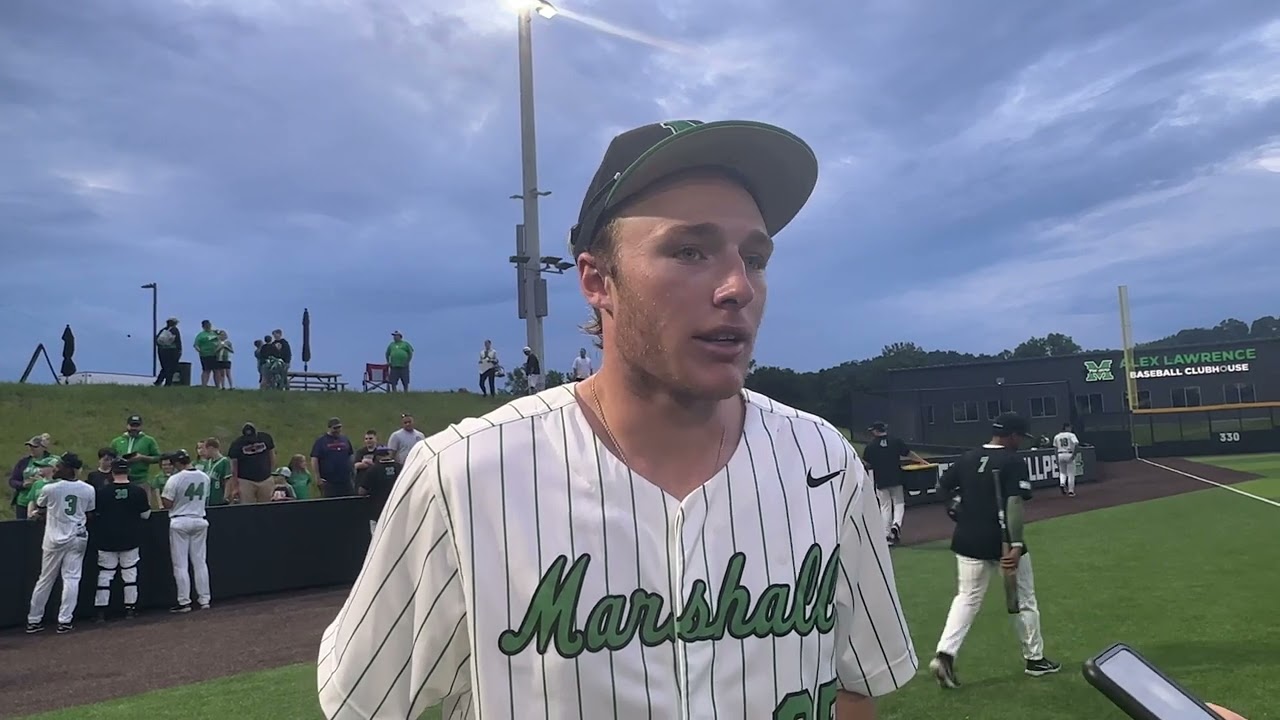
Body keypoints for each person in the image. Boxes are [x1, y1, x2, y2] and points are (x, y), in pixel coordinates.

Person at [318, 119, 917, 718]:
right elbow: (367, 703)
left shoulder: (823, 460)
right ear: (598, 281)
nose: (738, 286)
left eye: (755, 258)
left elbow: (852, 684)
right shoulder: (462, 473)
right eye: (690, 251)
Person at [929, 412, 1061, 688]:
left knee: (966, 598)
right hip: (1002, 540)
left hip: (967, 539)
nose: (1020, 442)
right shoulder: (1012, 460)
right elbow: (1014, 504)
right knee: (1024, 599)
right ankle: (1034, 659)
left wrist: (957, 507)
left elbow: (941, 488)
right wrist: (1015, 545)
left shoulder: (967, 457)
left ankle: (945, 654)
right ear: (1011, 435)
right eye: (1019, 437)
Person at [26, 453, 95, 634]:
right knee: (71, 579)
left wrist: (38, 515)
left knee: (46, 579)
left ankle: (34, 619)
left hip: (53, 539)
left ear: (69, 469)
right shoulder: (88, 489)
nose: (56, 467)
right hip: (77, 536)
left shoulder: (50, 489)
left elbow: (40, 510)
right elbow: (89, 514)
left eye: (60, 465)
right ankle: (64, 620)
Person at [92, 457, 151, 622]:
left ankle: (101, 611)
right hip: (130, 538)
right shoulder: (138, 491)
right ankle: (130, 609)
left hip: (106, 538)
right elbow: (145, 515)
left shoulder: (102, 492)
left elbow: (94, 514)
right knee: (130, 573)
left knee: (105, 574)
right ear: (129, 471)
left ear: (112, 472)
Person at [862, 421, 930, 546]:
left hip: (881, 480)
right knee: (899, 503)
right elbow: (909, 454)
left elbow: (866, 463)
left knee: (885, 507)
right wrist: (922, 461)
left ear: (876, 431)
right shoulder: (895, 441)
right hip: (896, 478)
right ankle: (896, 524)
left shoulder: (871, 446)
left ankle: (887, 535)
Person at [161, 450, 211, 613]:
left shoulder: (175, 478)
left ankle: (184, 601)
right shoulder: (204, 476)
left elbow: (167, 503)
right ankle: (205, 600)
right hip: (199, 518)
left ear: (177, 463)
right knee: (200, 562)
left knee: (181, 565)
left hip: (180, 520)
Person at [109, 415, 161, 496]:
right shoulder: (116, 441)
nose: (134, 428)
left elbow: (159, 458)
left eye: (137, 426)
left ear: (141, 426)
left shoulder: (149, 441)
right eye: (132, 425)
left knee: (143, 505)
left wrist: (142, 458)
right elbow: (109, 458)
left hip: (141, 480)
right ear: (127, 425)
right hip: (119, 479)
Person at [356, 446, 400, 536]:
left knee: (377, 539)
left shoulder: (373, 470)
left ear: (377, 456)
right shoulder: (400, 467)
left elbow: (362, 491)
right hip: (396, 509)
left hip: (377, 511)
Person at [228, 422, 276, 504]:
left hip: (265, 478)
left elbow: (272, 454)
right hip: (246, 480)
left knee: (267, 506)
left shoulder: (265, 438)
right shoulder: (237, 444)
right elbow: (234, 466)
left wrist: (271, 471)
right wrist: (235, 486)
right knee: (247, 506)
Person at [310, 417, 354, 498]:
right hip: (329, 481)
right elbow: (314, 458)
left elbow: (351, 455)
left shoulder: (345, 439)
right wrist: (317, 477)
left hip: (345, 480)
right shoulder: (321, 441)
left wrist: (353, 471)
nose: (337, 430)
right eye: (335, 428)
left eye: (339, 427)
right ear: (329, 428)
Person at [197, 437, 232, 507]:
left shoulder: (224, 462)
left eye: (205, 449)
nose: (204, 452)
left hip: (218, 498)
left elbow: (227, 481)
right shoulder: (208, 462)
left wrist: (226, 497)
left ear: (210, 448)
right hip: (207, 498)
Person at [1052, 422, 1081, 497]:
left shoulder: (1057, 436)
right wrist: (1074, 455)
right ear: (1066, 427)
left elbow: (1055, 448)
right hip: (1069, 453)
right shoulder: (1071, 435)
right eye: (1070, 427)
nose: (1071, 429)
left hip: (1060, 454)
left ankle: (1062, 483)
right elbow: (1076, 444)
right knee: (1071, 474)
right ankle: (1071, 491)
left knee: (1062, 472)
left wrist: (1056, 458)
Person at [154, 317, 182, 386]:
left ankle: (158, 382)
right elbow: (178, 341)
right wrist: (179, 350)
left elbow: (157, 341)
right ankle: (168, 383)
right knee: (172, 367)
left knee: (165, 367)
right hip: (172, 351)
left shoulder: (163, 330)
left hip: (162, 351)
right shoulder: (175, 330)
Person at [193, 320, 220, 387]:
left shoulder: (214, 334)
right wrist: (199, 350)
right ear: (203, 327)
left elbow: (221, 340)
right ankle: (204, 385)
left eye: (209, 325)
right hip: (205, 355)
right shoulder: (201, 335)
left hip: (215, 354)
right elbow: (196, 344)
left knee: (216, 370)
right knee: (206, 370)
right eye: (206, 325)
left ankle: (217, 386)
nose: (208, 326)